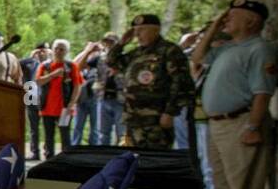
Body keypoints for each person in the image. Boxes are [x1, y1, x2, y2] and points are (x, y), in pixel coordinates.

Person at [189, 0, 278, 189]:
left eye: (232, 15)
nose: (226, 18)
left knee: (243, 183)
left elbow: (263, 92)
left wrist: (252, 127)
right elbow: (198, 57)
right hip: (218, 123)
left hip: (241, 121)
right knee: (223, 182)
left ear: (251, 21)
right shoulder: (227, 48)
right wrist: (214, 27)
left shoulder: (259, 49)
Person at [105, 13, 195, 150]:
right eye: (135, 31)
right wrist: (121, 43)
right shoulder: (137, 53)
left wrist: (170, 112)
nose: (137, 35)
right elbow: (112, 62)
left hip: (156, 119)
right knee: (135, 160)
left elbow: (181, 82)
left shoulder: (169, 51)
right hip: (134, 118)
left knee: (155, 160)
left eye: (142, 30)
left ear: (156, 30)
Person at [35, 39, 82, 159]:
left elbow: (77, 86)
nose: (58, 51)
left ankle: (66, 159)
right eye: (56, 48)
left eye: (61, 49)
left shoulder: (71, 66)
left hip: (65, 108)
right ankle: (49, 158)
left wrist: (72, 103)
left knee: (65, 135)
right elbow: (38, 82)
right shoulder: (45, 66)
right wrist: (53, 74)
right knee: (48, 136)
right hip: (47, 108)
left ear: (66, 51)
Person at [92, 33, 124, 145]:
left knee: (122, 133)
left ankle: (122, 159)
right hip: (103, 97)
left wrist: (117, 73)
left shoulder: (124, 58)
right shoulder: (101, 58)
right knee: (103, 133)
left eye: (111, 42)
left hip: (120, 99)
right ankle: (103, 157)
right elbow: (97, 75)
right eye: (107, 42)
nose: (108, 44)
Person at [69, 40, 103, 145]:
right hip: (81, 99)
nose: (94, 51)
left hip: (96, 99)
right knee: (77, 127)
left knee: (95, 128)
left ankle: (94, 149)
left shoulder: (100, 61)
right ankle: (74, 147)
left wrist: (100, 50)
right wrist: (87, 51)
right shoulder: (84, 62)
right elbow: (75, 66)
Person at [19, 43, 49, 160]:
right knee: (33, 128)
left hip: (46, 99)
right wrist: (31, 56)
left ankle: (48, 152)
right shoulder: (30, 64)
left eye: (44, 50)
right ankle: (34, 152)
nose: (41, 53)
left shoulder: (50, 64)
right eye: (39, 51)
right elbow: (17, 63)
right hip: (31, 97)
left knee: (47, 127)